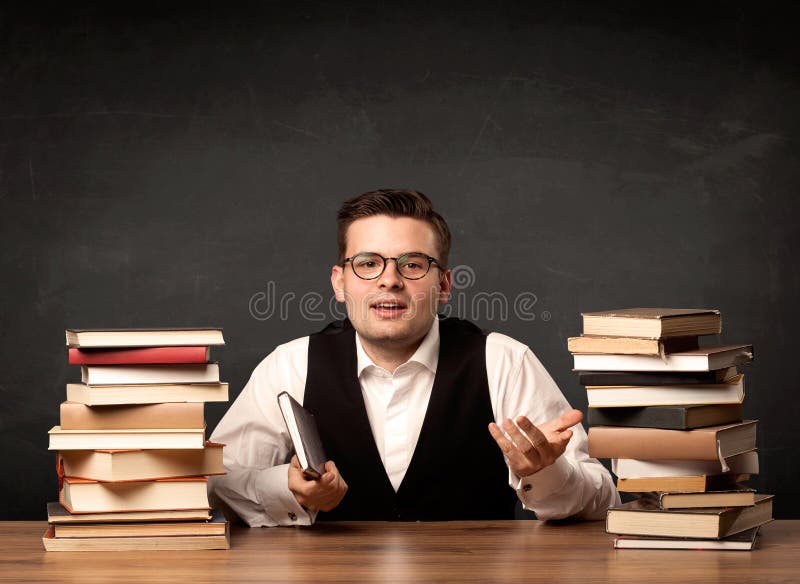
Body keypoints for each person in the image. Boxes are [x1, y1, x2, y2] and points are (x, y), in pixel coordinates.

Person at [209, 189, 619, 526]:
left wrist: (544, 472)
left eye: (412, 264)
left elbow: (603, 499)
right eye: (368, 263)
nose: (390, 279)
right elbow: (216, 483)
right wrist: (288, 488)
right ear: (340, 282)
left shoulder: (504, 362)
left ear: (443, 285)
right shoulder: (290, 365)